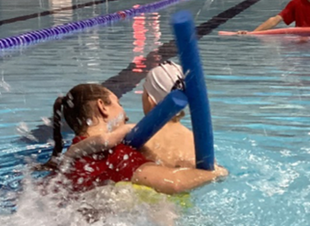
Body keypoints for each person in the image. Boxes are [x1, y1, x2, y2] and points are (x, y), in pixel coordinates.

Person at [42, 83, 226, 195]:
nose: (126, 115)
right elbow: (175, 183)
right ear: (102, 106)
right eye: (119, 104)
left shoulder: (70, 157)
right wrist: (215, 173)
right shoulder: (115, 155)